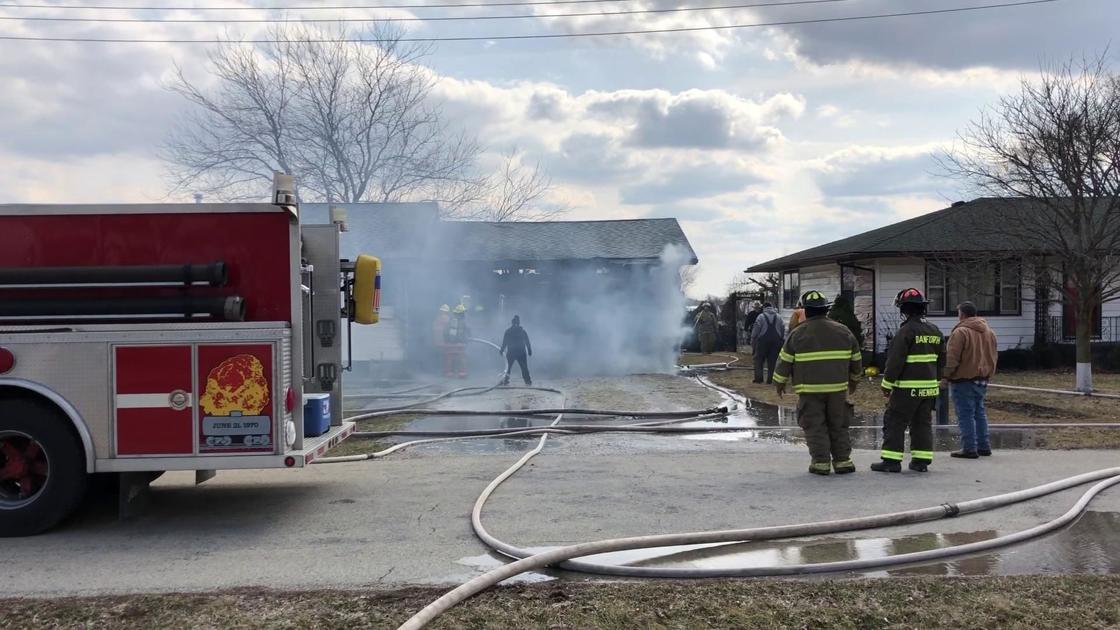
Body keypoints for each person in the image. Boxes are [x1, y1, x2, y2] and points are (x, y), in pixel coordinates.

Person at [772, 290, 862, 475]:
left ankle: (820, 463)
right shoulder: (844, 331)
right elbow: (856, 359)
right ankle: (843, 461)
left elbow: (784, 361)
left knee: (815, 425)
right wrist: (854, 380)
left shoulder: (797, 333)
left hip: (809, 390)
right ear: (825, 310)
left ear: (807, 310)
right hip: (837, 389)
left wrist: (779, 383)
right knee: (838, 424)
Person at [872, 288, 944, 474]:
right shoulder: (934, 330)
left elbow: (895, 361)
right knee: (922, 424)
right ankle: (921, 462)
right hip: (928, 389)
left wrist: (887, 384)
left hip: (906, 389)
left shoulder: (905, 331)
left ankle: (891, 461)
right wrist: (936, 381)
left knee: (895, 422)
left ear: (904, 309)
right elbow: (942, 360)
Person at [942, 301, 998, 458]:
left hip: (963, 378)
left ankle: (969, 448)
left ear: (962, 314)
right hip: (982, 378)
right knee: (979, 412)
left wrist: (946, 376)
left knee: (965, 414)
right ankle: (983, 446)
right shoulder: (989, 332)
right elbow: (994, 356)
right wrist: (989, 374)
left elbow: (952, 358)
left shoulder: (961, 332)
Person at [750, 302, 784, 384]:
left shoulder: (761, 317)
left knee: (759, 360)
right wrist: (781, 339)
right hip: (776, 342)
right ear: (771, 307)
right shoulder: (779, 317)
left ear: (764, 308)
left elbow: (756, 330)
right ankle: (770, 380)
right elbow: (783, 329)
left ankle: (759, 379)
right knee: (772, 361)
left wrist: (753, 339)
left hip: (762, 342)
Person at [500, 315, 533, 386]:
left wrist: (502, 349)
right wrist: (529, 350)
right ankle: (528, 381)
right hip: (519, 352)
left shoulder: (509, 331)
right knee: (521, 367)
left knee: (509, 367)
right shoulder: (522, 331)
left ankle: (505, 380)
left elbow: (504, 342)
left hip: (514, 352)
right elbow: (527, 341)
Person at [443, 304, 470, 378]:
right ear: (461, 313)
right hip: (460, 344)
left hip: (450, 344)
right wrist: (467, 339)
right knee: (461, 359)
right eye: (464, 312)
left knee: (449, 359)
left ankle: (449, 373)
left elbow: (445, 332)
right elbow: (468, 331)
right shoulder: (463, 322)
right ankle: (462, 373)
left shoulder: (451, 321)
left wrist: (447, 341)